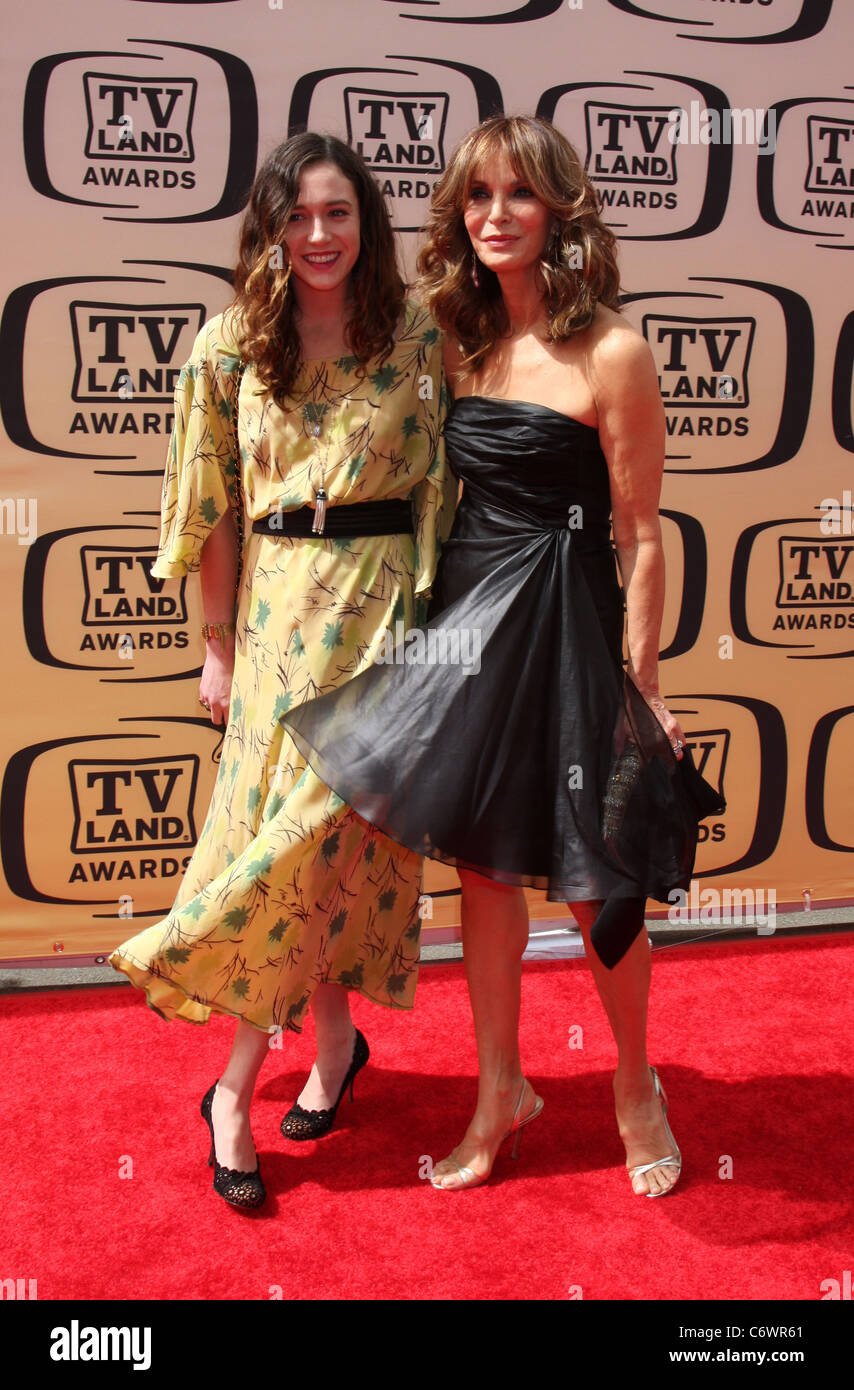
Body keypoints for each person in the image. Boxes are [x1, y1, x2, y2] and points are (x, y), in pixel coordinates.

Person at [281, 115, 724, 1198]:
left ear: (559, 211)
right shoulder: (454, 334)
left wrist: (644, 682)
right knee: (482, 867)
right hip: (473, 621)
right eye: (475, 197)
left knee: (594, 878)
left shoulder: (611, 349)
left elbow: (641, 529)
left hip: (569, 622)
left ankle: (631, 1084)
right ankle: (498, 1091)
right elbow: (333, 326)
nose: (492, 216)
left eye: (516, 196)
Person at [109, 132, 456, 1209]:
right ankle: (334, 1044)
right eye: (296, 216)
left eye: (338, 213)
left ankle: (232, 1087)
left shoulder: (411, 332)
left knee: (332, 839)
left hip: (382, 618)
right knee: (289, 835)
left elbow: (446, 483)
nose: (317, 236)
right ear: (266, 228)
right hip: (271, 621)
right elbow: (207, 506)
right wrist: (214, 648)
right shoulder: (227, 346)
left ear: (367, 224)